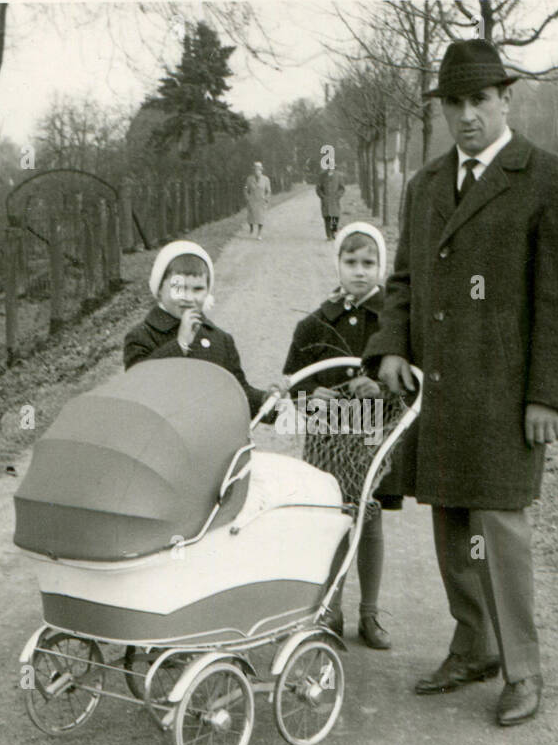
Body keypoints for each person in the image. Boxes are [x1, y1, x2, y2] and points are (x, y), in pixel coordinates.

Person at [364, 39, 558, 727]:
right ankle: (474, 645)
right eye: (453, 103)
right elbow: (403, 281)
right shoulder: (426, 185)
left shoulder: (550, 181)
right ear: (440, 109)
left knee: (499, 527)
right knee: (450, 520)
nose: (466, 115)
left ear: (506, 101)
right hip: (437, 390)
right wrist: (389, 348)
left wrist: (548, 397)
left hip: (505, 395)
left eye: (479, 101)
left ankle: (523, 669)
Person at [283, 222, 399, 649]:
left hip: (373, 433)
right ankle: (330, 608)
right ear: (338, 265)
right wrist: (313, 393)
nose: (360, 271)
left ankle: (370, 614)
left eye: (369, 263)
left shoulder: (392, 322)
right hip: (329, 437)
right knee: (333, 519)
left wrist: (382, 387)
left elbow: (410, 378)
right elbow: (295, 383)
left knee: (369, 518)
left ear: (381, 267)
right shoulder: (315, 323)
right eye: (351, 262)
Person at [124, 240, 273, 419]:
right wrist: (180, 345)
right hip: (165, 436)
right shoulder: (142, 336)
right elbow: (138, 386)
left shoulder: (220, 339)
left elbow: (238, 393)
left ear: (207, 292)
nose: (188, 298)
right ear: (159, 289)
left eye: (198, 289)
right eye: (178, 288)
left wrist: (269, 402)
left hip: (212, 437)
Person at [315, 167, 346, 240]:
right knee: (327, 218)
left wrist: (337, 196)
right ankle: (328, 235)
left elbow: (342, 188)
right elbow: (318, 188)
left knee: (335, 217)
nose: (330, 167)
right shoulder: (322, 175)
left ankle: (334, 233)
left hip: (335, 200)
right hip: (326, 200)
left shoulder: (338, 175)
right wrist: (322, 196)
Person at [244, 161, 271, 239]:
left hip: (261, 200)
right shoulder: (249, 179)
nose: (257, 171)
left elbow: (268, 190)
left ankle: (259, 234)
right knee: (251, 217)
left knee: (261, 218)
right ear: (253, 170)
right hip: (252, 200)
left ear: (261, 170)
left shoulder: (266, 179)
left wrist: (266, 198)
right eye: (256, 169)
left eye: (259, 169)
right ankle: (251, 228)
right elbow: (245, 189)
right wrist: (247, 198)